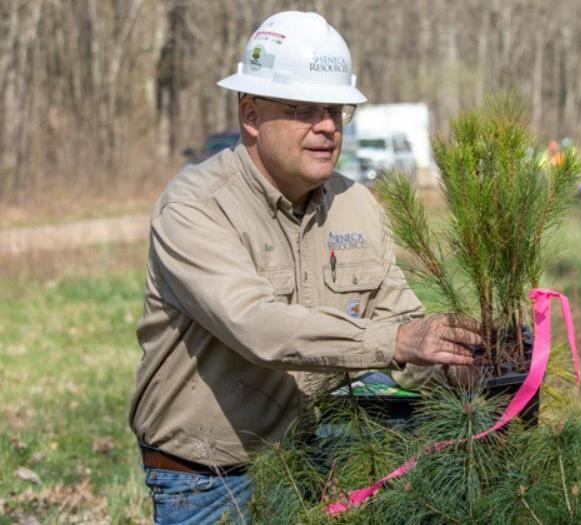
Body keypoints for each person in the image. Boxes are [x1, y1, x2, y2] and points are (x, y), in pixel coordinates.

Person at [128, 11, 479, 523]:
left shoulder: (356, 205)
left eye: (335, 110)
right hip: (210, 481)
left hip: (323, 455)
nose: (327, 126)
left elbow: (402, 323)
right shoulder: (195, 207)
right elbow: (258, 325)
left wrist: (461, 363)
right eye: (303, 109)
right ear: (251, 115)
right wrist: (399, 341)